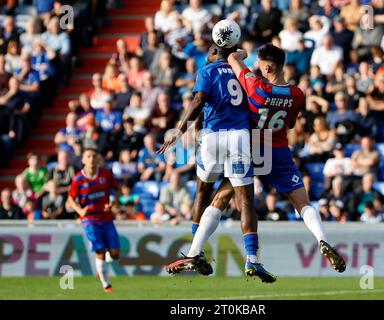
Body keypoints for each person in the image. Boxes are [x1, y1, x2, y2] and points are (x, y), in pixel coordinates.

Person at [165, 43, 346, 278]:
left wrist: (239, 54)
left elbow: (232, 60)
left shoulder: (257, 88)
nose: (257, 69)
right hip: (279, 152)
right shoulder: (297, 94)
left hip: (250, 148)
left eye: (261, 65)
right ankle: (323, 239)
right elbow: (290, 124)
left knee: (221, 198)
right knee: (302, 202)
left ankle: (195, 251)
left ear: (269, 67)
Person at [160, 43, 276, 282]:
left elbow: (198, 101)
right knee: (245, 201)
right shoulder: (242, 71)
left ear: (214, 54)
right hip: (240, 137)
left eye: (210, 51)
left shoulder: (208, 71)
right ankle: (252, 259)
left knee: (202, 192)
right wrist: (240, 55)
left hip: (213, 137)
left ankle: (196, 250)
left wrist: (179, 131)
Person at [67, 147, 120, 293]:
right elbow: (71, 198)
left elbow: (117, 188)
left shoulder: (105, 174)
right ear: (83, 160)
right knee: (100, 251)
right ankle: (106, 285)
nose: (91, 159)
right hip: (90, 219)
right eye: (88, 156)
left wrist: (113, 202)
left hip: (106, 217)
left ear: (97, 159)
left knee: (115, 254)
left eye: (94, 156)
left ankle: (100, 267)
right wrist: (80, 210)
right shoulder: (78, 179)